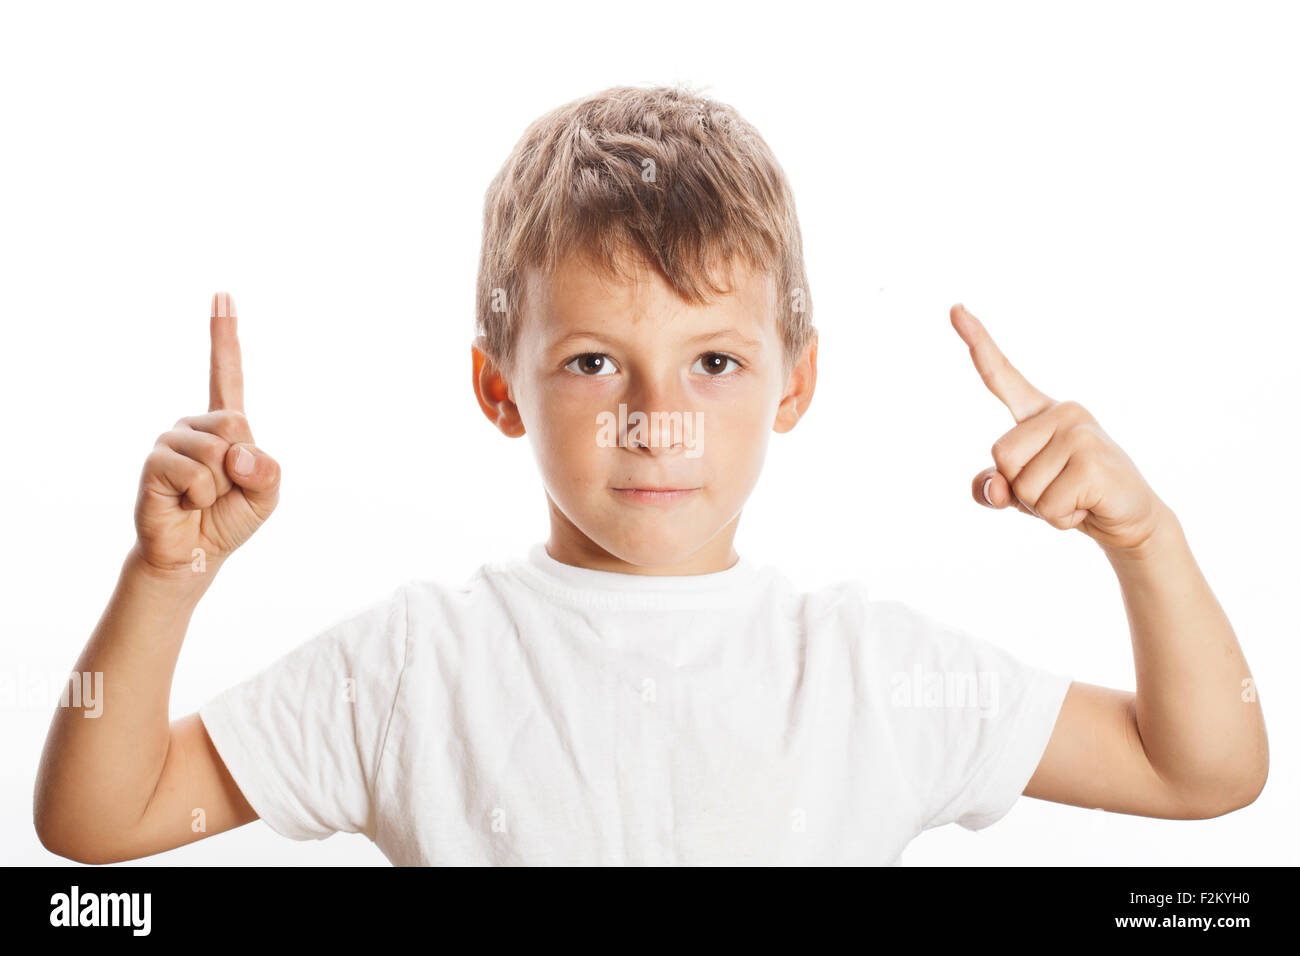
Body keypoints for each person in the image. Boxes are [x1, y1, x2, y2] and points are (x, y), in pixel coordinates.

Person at [33, 85, 1268, 865]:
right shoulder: (410, 668)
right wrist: (165, 579)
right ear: (497, 388)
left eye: (716, 360)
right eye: (591, 363)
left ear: (795, 382)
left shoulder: (874, 675)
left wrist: (1144, 538)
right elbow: (97, 821)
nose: (659, 418)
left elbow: (1202, 768)